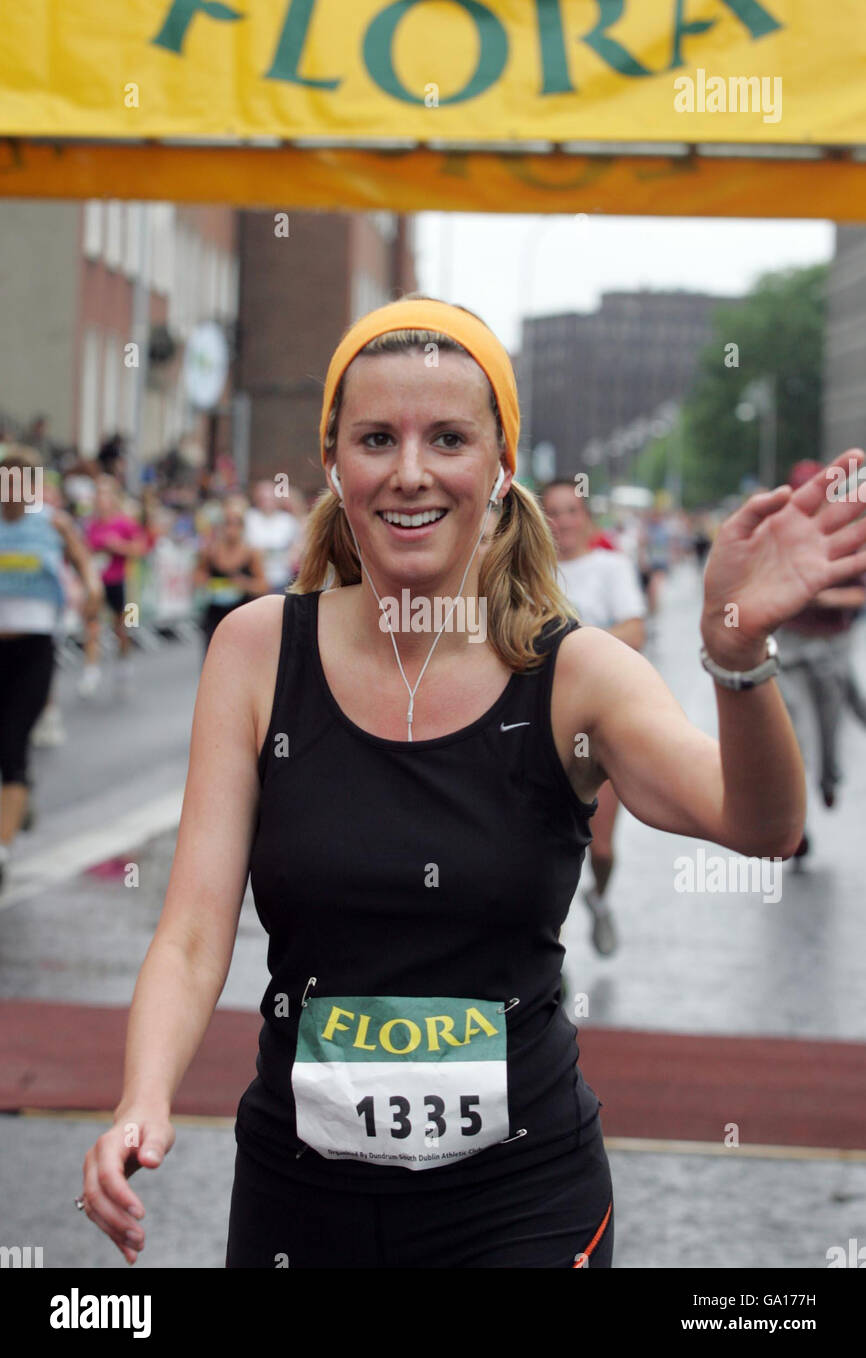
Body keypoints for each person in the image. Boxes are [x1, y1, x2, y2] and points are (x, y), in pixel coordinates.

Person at [77, 296, 866, 1270]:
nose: (410, 471)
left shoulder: (571, 673)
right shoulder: (253, 651)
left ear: (498, 470)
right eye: (376, 438)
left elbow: (759, 824)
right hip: (297, 1197)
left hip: (520, 1206)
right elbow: (193, 935)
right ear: (335, 466)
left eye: (447, 437)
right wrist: (140, 1098)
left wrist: (736, 653)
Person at [541, 482, 646, 956]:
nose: (562, 521)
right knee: (536, 855)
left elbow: (635, 630)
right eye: (552, 512)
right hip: (539, 727)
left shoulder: (611, 566)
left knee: (599, 849)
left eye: (571, 510)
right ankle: (545, 955)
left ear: (586, 516)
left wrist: (570, 647)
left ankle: (599, 897)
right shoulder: (526, 571)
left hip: (598, 728)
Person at [0, 444, 103, 887]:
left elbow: (83, 563)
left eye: (21, 486)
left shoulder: (51, 524)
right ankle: (19, 801)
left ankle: (1, 850)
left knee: (12, 743)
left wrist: (93, 590)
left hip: (34, 649)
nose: (13, 496)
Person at [775, 459, 866, 867]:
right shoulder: (779, 538)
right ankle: (796, 827)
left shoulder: (846, 539)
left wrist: (823, 597)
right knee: (792, 735)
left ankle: (830, 779)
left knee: (831, 733)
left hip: (831, 645)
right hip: (789, 646)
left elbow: (859, 595)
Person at [79, 475, 149, 698]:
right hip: (97, 583)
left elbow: (140, 549)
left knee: (123, 628)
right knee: (92, 627)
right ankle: (91, 673)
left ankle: (123, 664)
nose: (101, 500)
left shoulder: (125, 523)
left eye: (106, 494)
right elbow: (82, 551)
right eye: (98, 494)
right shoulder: (90, 524)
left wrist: (118, 546)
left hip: (123, 583)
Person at [193, 497, 269, 656]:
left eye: (236, 523)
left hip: (242, 615)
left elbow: (263, 586)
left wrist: (244, 584)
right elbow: (197, 577)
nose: (231, 528)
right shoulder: (211, 551)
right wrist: (206, 582)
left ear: (243, 526)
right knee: (212, 657)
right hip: (215, 615)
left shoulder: (251, 553)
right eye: (227, 523)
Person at [244, 479, 304, 594]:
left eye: (269, 498)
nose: (266, 502)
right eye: (262, 498)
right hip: (254, 578)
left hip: (282, 578)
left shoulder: (287, 521)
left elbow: (297, 547)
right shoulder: (249, 518)